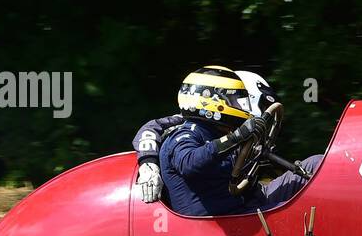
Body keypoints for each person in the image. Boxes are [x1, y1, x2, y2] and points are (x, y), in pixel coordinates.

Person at [131, 66, 322, 216]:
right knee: (307, 208)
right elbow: (189, 162)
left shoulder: (214, 131)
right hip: (230, 219)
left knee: (318, 165)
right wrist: (236, 137)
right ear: (215, 102)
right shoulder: (186, 132)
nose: (242, 106)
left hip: (248, 202)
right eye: (236, 100)